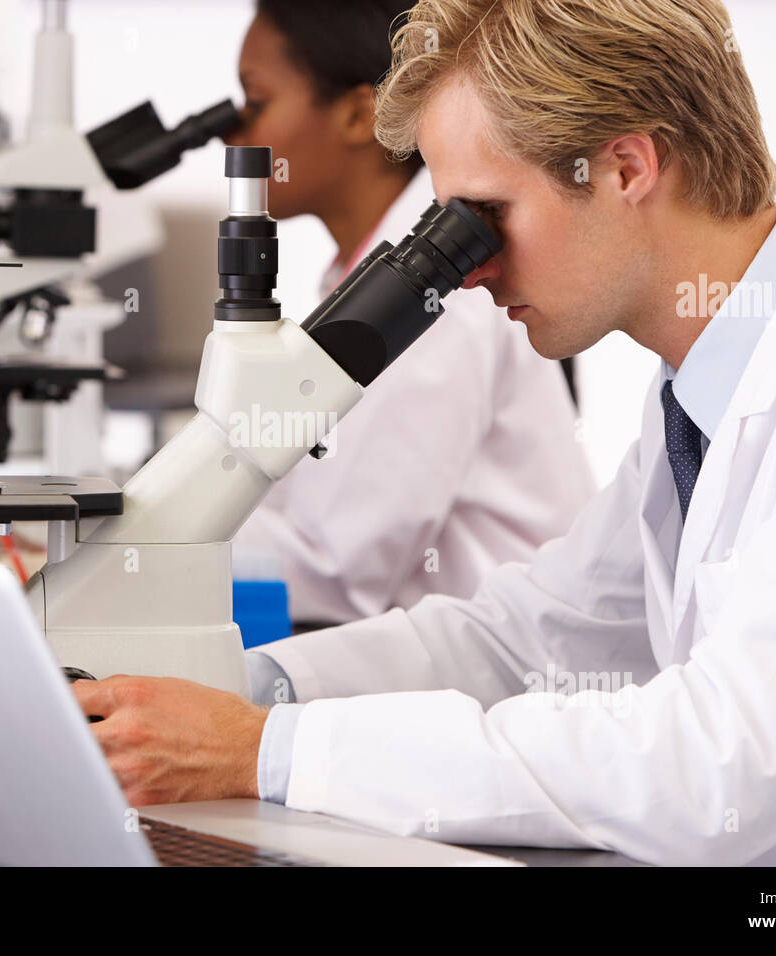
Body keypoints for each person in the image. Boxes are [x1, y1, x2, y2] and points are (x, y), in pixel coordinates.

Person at [74, 0, 776, 865]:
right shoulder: (702, 381)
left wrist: (267, 751)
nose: (472, 270)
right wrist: (244, 693)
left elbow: (720, 762)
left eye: (486, 214)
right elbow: (530, 637)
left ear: (625, 166)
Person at [225, 0, 594, 626]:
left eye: (255, 102)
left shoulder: (434, 297)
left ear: (356, 115)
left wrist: (109, 541)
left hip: (504, 685)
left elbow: (339, 570)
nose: (232, 134)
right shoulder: (367, 271)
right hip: (432, 661)